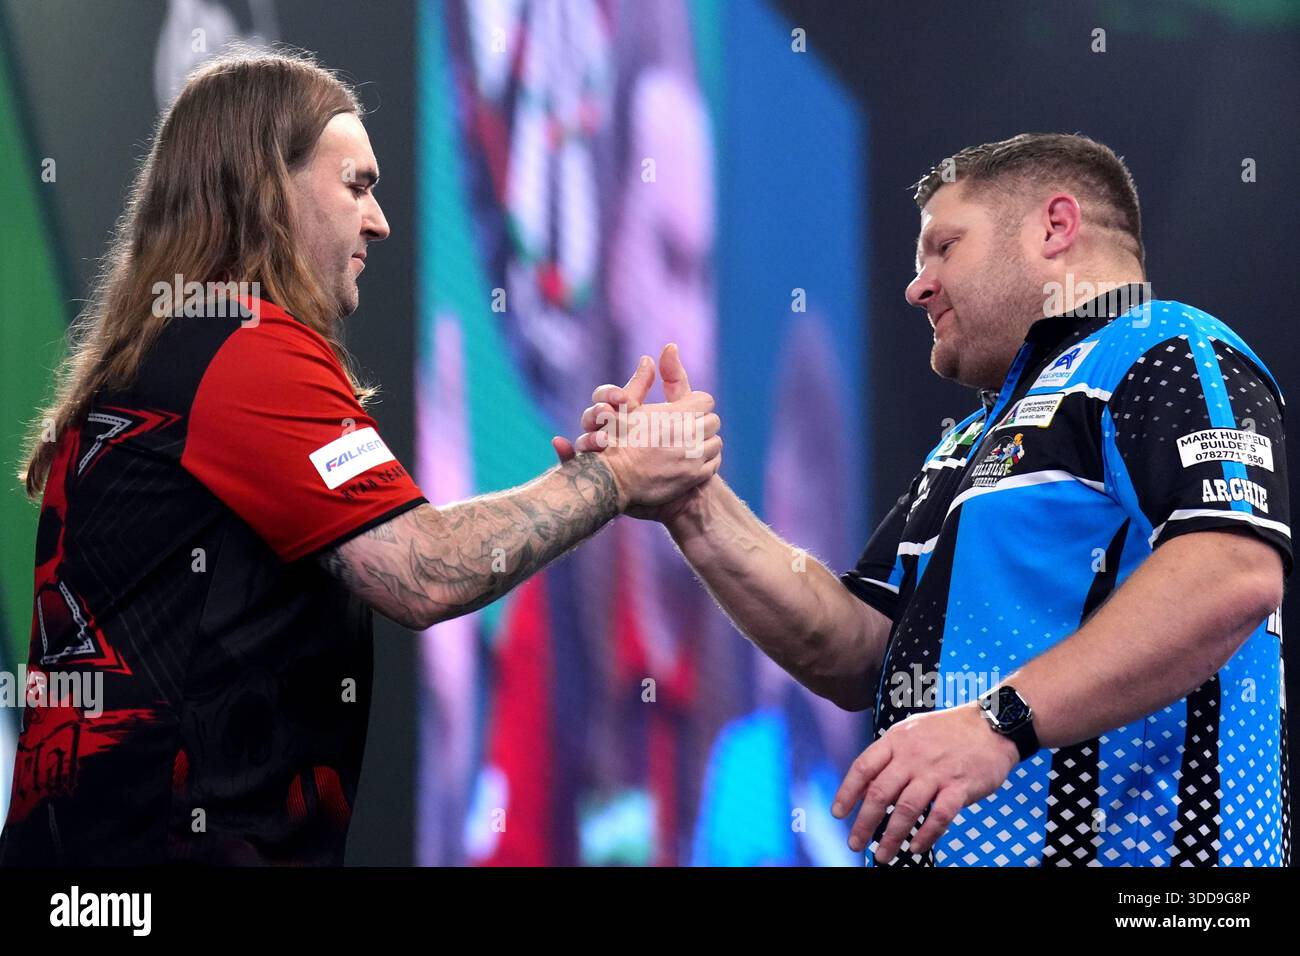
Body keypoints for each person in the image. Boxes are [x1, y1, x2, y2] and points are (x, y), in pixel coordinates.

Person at [0, 49, 719, 866]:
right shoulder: (244, 347)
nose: (377, 220)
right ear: (270, 187)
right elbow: (426, 569)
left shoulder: (164, 356)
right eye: (356, 185)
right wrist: (614, 477)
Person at [572, 132, 1290, 867]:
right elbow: (852, 647)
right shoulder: (966, 443)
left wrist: (997, 722)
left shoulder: (1165, 345)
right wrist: (689, 498)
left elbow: (1232, 569)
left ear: (1056, 227)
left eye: (944, 247)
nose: (918, 285)